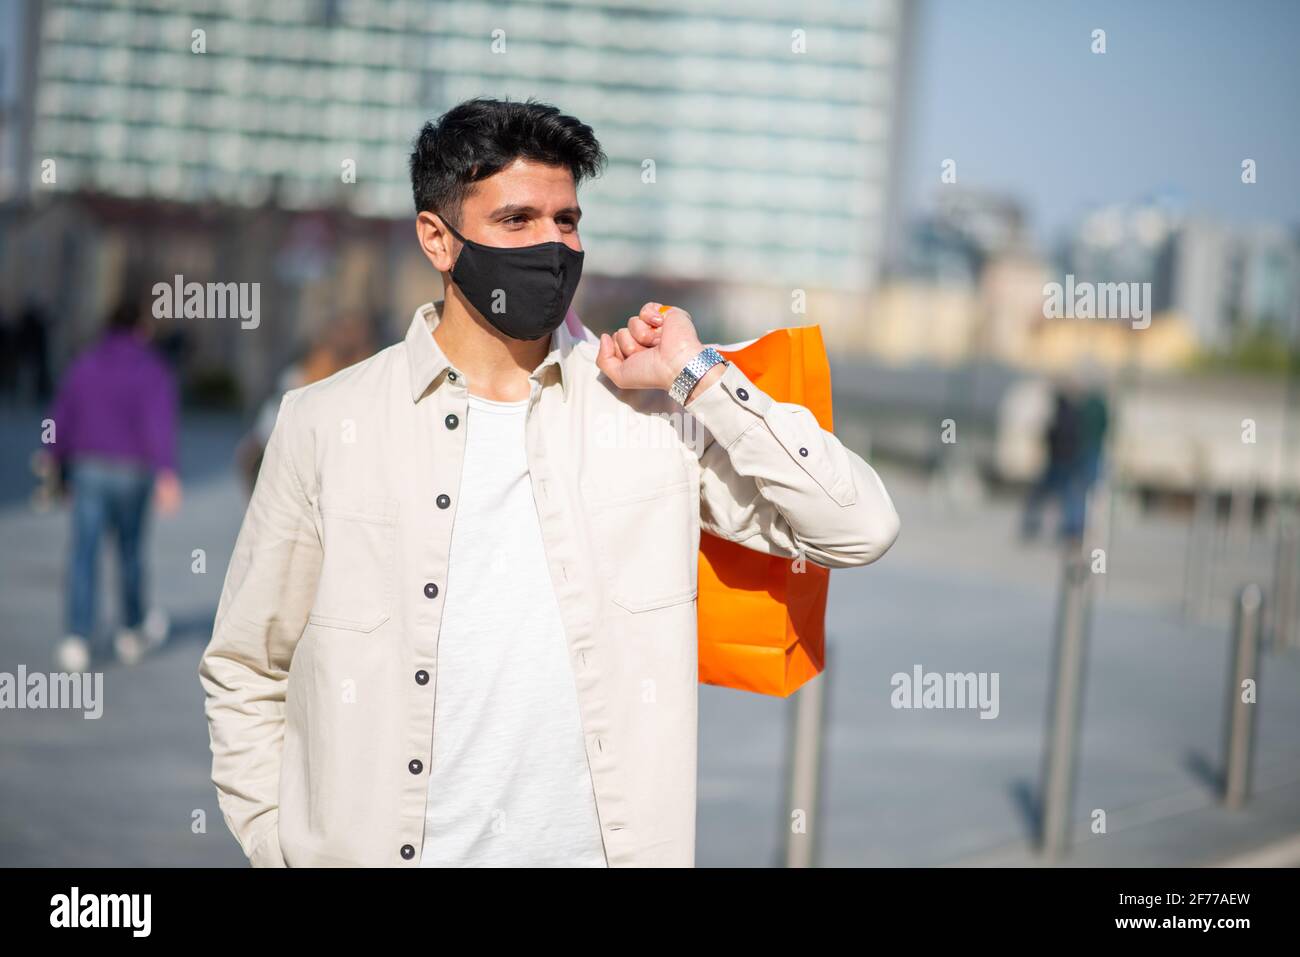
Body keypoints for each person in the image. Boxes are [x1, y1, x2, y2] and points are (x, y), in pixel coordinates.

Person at [198, 97, 901, 868]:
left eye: (566, 221)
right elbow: (246, 663)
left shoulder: (650, 417)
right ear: (438, 238)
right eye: (517, 220)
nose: (552, 245)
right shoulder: (325, 422)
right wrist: (277, 843)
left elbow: (859, 525)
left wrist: (697, 374)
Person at [46, 296, 181, 671]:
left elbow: (62, 413)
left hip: (88, 468)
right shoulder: (151, 368)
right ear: (140, 328)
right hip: (132, 472)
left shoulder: (85, 363)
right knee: (130, 552)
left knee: (83, 553)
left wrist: (53, 456)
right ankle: (130, 630)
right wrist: (167, 471)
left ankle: (77, 637)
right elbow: (159, 422)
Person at [1021, 385, 1082, 541]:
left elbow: (1050, 436)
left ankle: (1031, 525)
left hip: (1056, 462)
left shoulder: (1059, 416)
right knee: (1067, 498)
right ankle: (1071, 529)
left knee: (1039, 496)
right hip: (1068, 462)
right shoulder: (1074, 416)